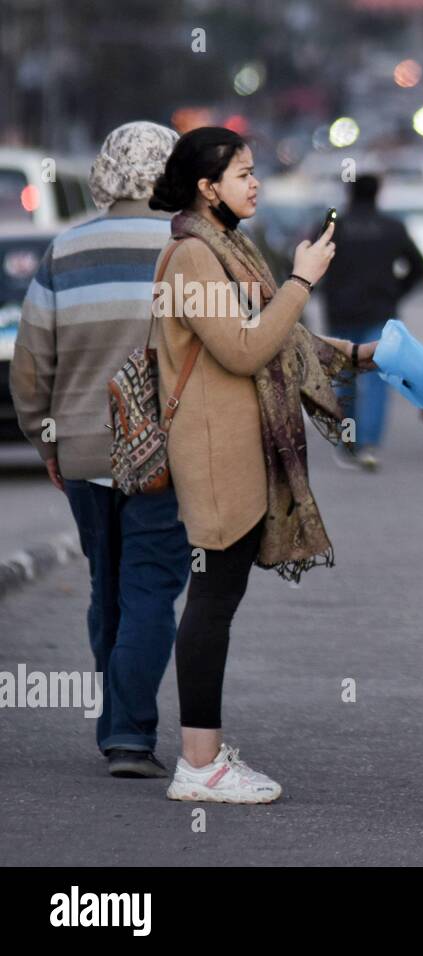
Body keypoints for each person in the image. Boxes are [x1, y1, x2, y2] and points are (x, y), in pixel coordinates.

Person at [147, 127, 379, 804]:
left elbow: (279, 330)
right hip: (216, 450)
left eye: (254, 171)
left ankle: (205, 754)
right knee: (212, 600)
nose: (254, 183)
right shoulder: (193, 255)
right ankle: (199, 764)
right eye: (242, 174)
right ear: (205, 186)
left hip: (240, 443)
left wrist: (357, 356)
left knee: (219, 598)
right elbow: (246, 349)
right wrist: (305, 279)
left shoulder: (231, 246)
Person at [8, 121, 191, 779]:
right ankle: (128, 735)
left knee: (105, 585)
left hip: (84, 452)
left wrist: (45, 439)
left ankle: (118, 725)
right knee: (150, 588)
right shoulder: (194, 249)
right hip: (167, 453)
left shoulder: (65, 251)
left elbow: (31, 366)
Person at [320, 173, 423, 471]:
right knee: (379, 381)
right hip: (380, 312)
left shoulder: (335, 228)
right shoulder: (392, 227)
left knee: (345, 381)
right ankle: (369, 443)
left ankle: (348, 441)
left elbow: (313, 265)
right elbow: (420, 266)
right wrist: (397, 291)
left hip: (341, 313)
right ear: (378, 193)